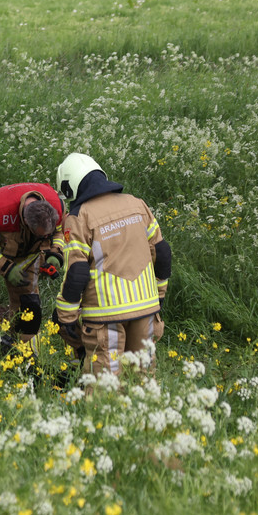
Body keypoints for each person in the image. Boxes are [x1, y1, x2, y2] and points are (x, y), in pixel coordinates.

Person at [52, 152, 171, 381]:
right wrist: (159, 294)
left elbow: (77, 272)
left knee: (104, 386)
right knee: (142, 380)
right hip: (146, 308)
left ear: (70, 187)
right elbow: (162, 253)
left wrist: (66, 317)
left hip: (104, 315)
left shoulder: (78, 217)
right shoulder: (137, 204)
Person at [0, 182, 66, 357]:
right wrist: (7, 268)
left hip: (28, 255)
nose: (47, 238)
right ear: (25, 221)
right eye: (42, 236)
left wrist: (55, 254)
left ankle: (24, 357)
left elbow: (59, 232)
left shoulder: (56, 207)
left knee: (30, 306)